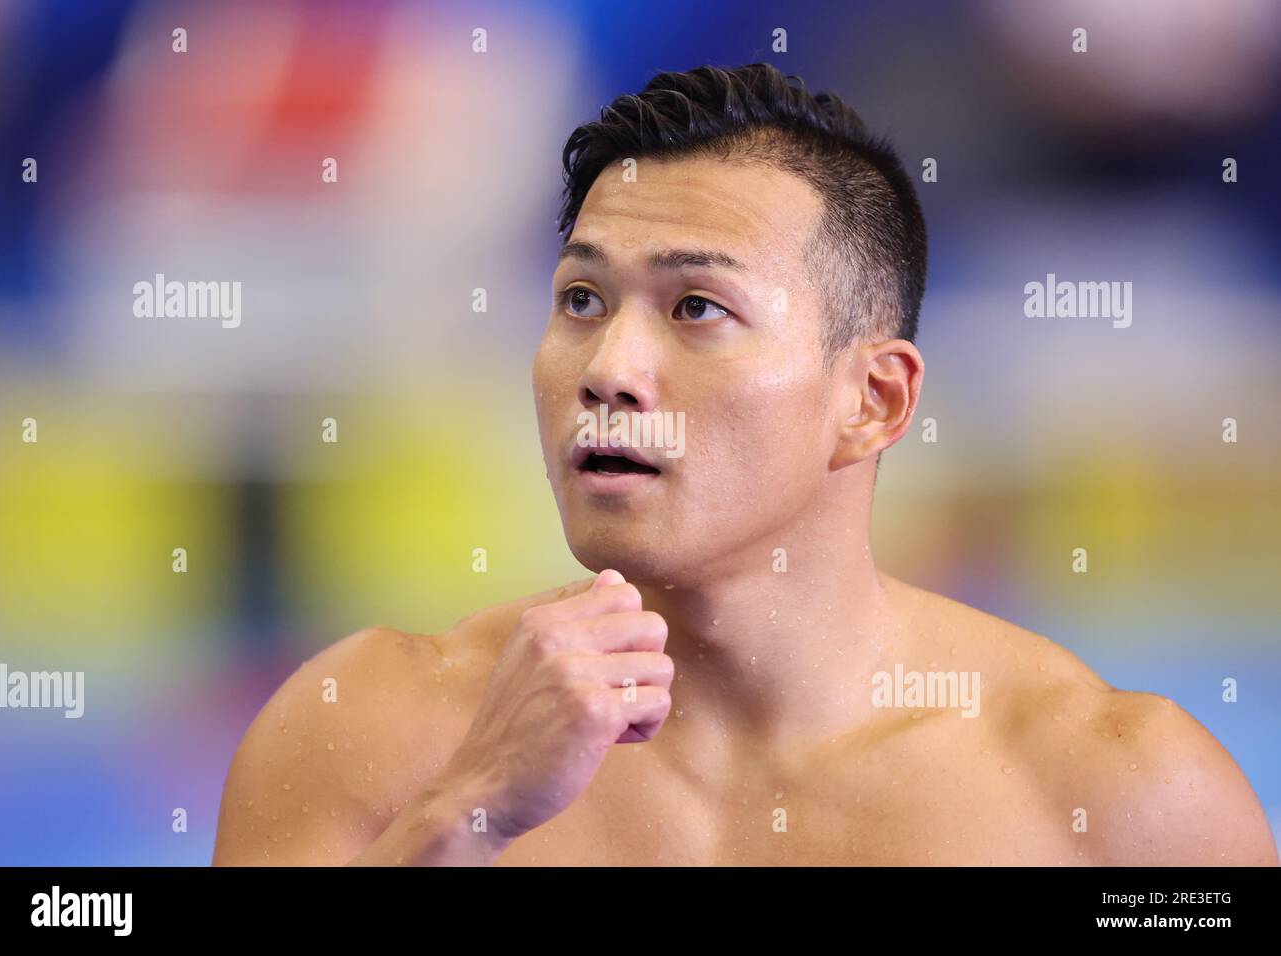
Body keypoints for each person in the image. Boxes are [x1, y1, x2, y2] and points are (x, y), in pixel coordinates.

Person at [212, 64, 1277, 866]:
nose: (609, 368)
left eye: (697, 308)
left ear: (872, 401)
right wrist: (463, 816)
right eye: (581, 299)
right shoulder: (364, 730)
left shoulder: (1115, 797)